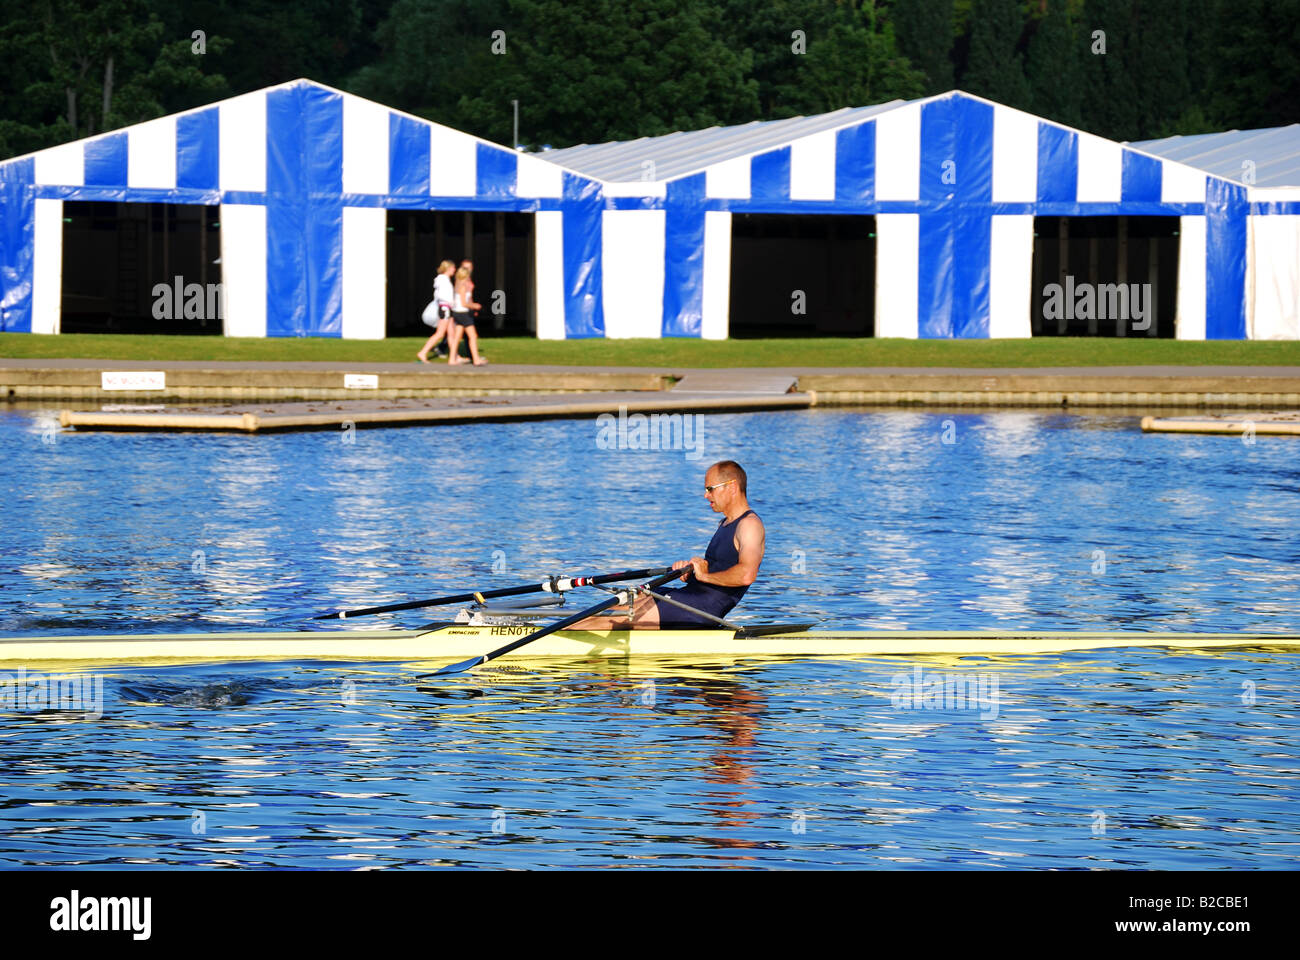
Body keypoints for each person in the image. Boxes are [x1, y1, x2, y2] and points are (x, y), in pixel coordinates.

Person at [577, 461, 765, 629]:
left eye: (710, 489)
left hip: (701, 609)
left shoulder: (749, 525)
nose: (705, 495)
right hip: (690, 598)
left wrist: (705, 576)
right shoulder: (725, 523)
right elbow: (717, 572)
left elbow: (747, 574)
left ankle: (560, 641)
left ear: (731, 486)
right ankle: (565, 636)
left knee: (611, 621)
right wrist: (691, 574)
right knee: (620, 606)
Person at [416, 260, 456, 363]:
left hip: (447, 308)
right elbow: (441, 295)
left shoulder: (443, 280)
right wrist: (452, 302)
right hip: (445, 308)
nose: (454, 270)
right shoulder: (443, 280)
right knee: (440, 334)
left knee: (451, 334)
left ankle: (455, 356)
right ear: (447, 268)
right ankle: (423, 352)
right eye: (452, 268)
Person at [447, 264, 487, 365]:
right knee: (473, 336)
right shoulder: (463, 286)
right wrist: (474, 306)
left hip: (457, 313)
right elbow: (464, 303)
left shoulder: (458, 283)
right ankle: (476, 359)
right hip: (463, 313)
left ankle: (452, 359)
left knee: (457, 336)